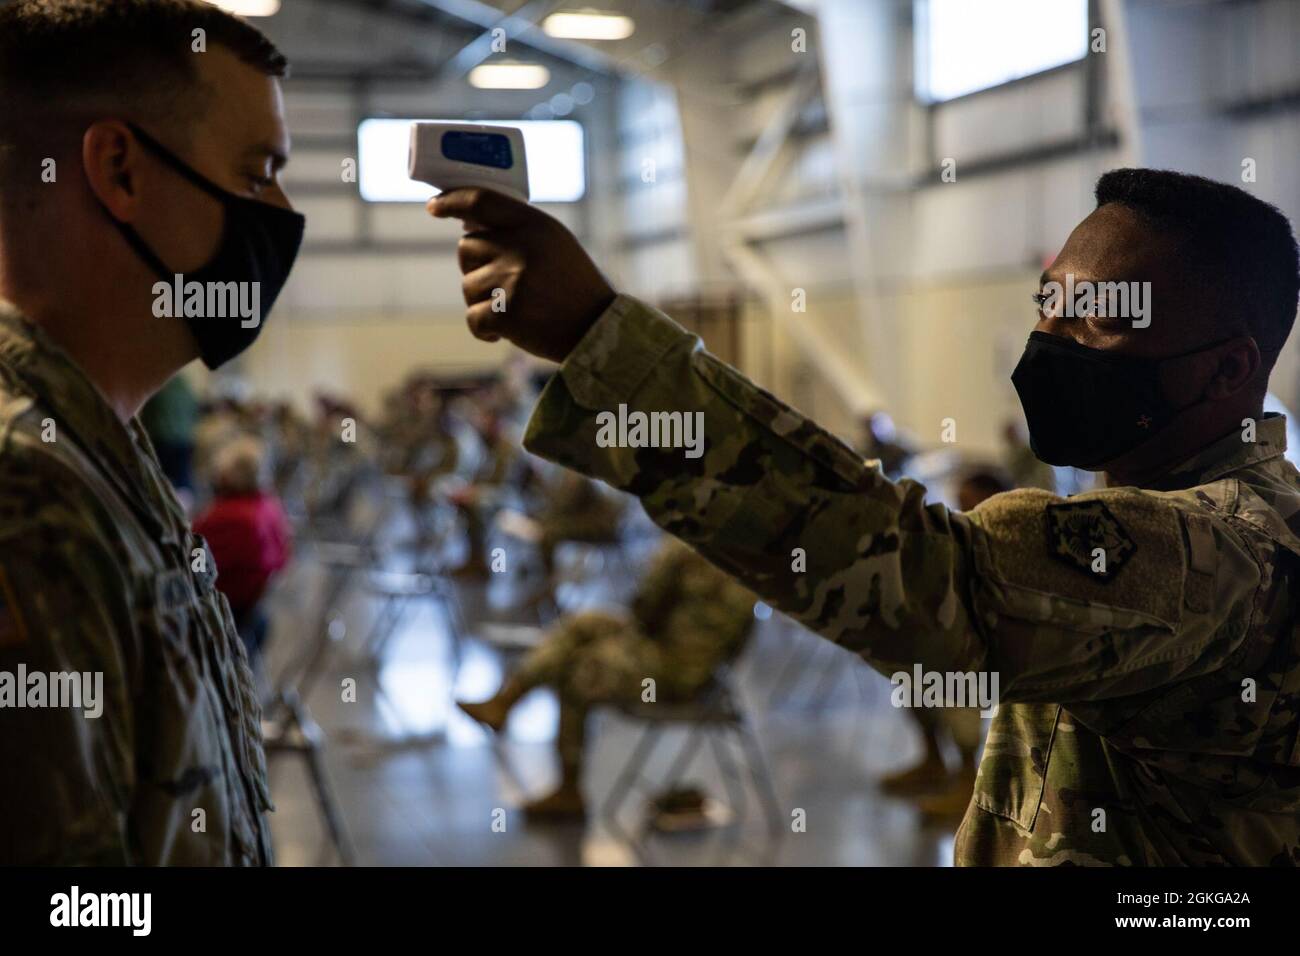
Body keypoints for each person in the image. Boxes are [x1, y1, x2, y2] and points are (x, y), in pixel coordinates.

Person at [433, 168, 1300, 866]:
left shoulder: (1228, 552)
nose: (1054, 336)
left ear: (1227, 372)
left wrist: (602, 341)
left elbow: (918, 574)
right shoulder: (1155, 513)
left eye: (1101, 319)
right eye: (1050, 303)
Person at [0, 0, 302, 864]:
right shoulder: (27, 487)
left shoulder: (100, 448)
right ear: (120, 170)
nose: (280, 214)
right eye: (256, 174)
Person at [458, 538, 756, 819]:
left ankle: (569, 790)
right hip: (695, 667)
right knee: (585, 624)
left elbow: (647, 607)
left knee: (582, 671)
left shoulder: (686, 547)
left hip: (672, 671)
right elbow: (738, 640)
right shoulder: (752, 557)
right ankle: (505, 700)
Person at [193, 436, 293, 663]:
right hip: (253, 612)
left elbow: (191, 565)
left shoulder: (230, 517)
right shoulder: (269, 505)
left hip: (224, 610)